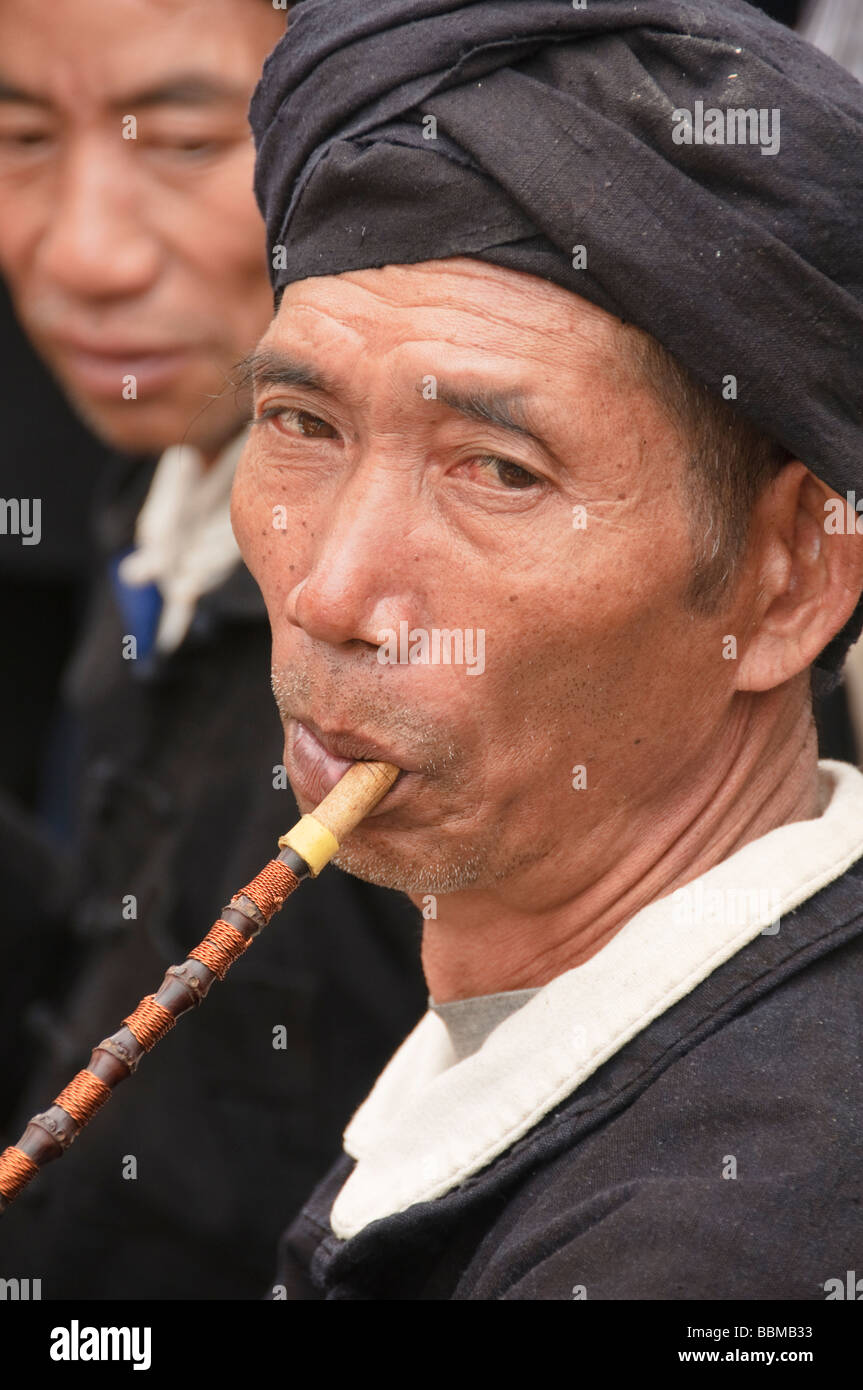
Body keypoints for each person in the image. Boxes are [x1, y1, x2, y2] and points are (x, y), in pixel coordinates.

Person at [230, 0, 863, 1298]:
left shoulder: (728, 1252)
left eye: (499, 472)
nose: (334, 591)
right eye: (302, 421)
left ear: (790, 573)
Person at [0, 0, 425, 1299]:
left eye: (186, 143)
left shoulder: (426, 643)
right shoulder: (169, 489)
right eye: (18, 138)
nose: (83, 251)